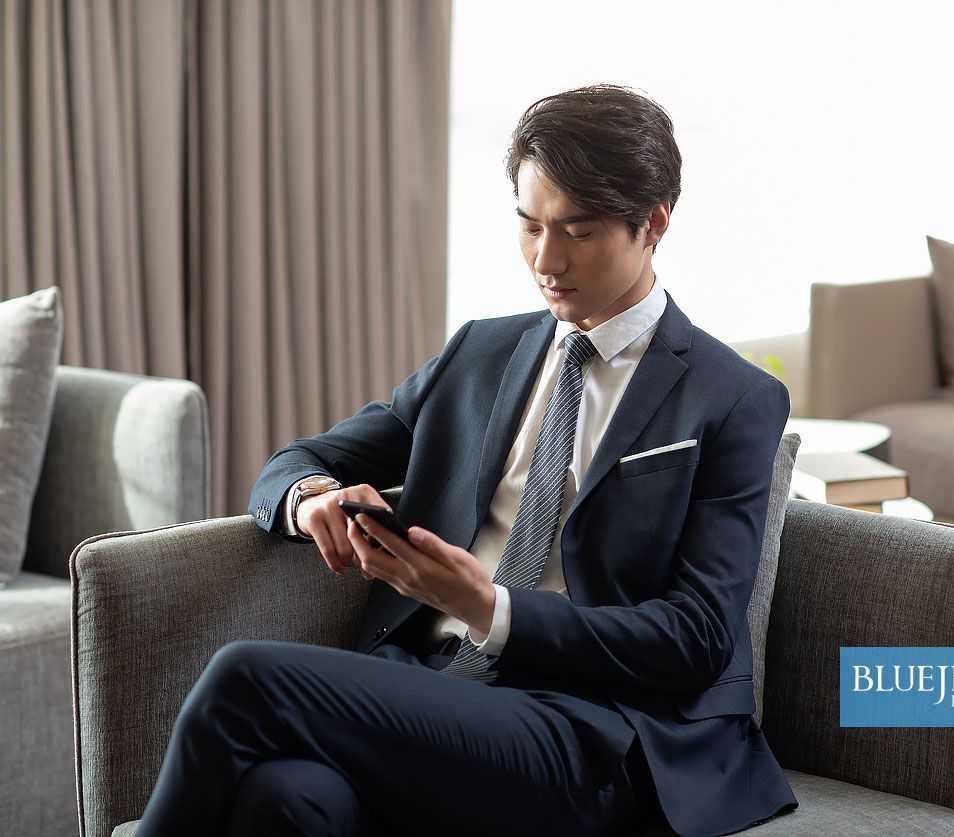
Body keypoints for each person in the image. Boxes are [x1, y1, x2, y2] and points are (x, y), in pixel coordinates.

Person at [134, 84, 797, 836]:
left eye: (577, 230)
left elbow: (696, 637)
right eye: (529, 225)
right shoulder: (479, 353)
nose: (546, 259)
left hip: (591, 726)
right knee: (284, 799)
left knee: (245, 676)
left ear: (653, 223)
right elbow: (304, 455)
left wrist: (489, 605)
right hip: (432, 691)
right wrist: (310, 495)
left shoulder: (731, 396)